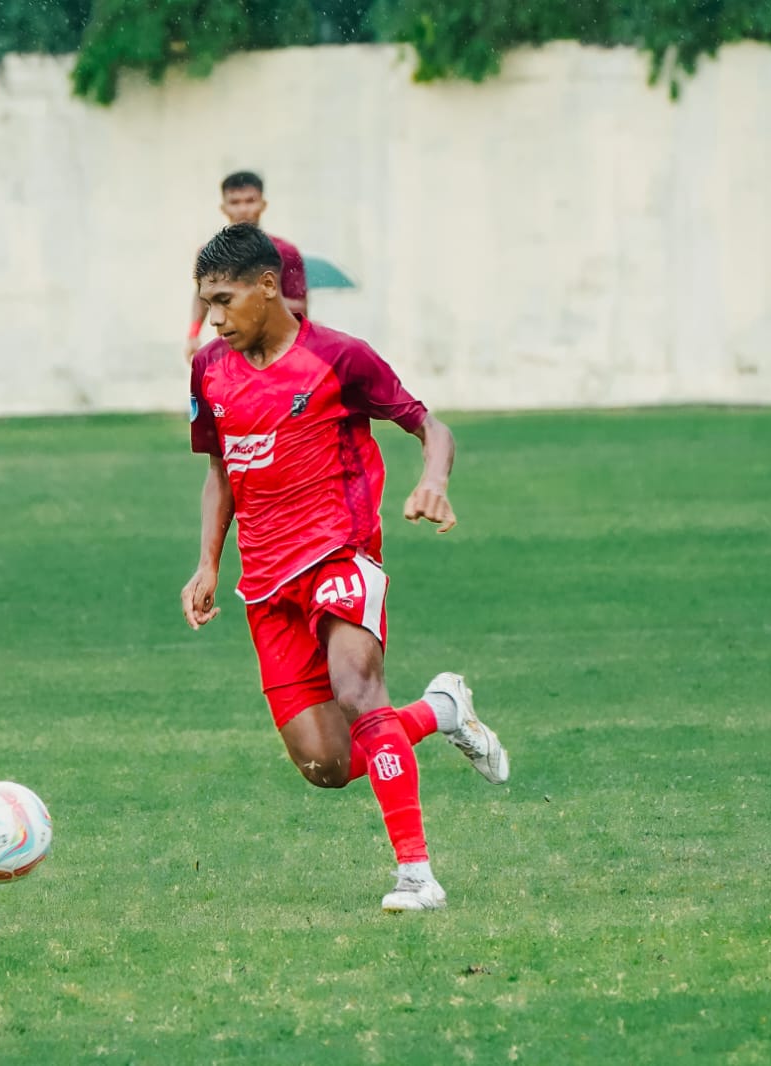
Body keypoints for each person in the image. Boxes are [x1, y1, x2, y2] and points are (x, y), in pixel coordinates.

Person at [180, 223, 509, 912]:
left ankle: (416, 875)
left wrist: (436, 480)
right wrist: (208, 563)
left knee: (360, 690)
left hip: (340, 552)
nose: (214, 316)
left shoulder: (340, 359)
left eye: (225, 298)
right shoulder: (210, 368)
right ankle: (442, 709)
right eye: (206, 300)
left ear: (268, 287)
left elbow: (430, 426)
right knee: (327, 765)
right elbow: (221, 469)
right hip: (265, 582)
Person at [184, 172, 307, 363]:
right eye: (235, 202)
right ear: (223, 208)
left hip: (279, 351)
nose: (243, 209)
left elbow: (301, 308)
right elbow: (202, 296)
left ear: (263, 205)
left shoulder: (284, 251)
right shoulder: (208, 253)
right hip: (231, 348)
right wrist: (193, 334)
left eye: (250, 201)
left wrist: (259, 295)